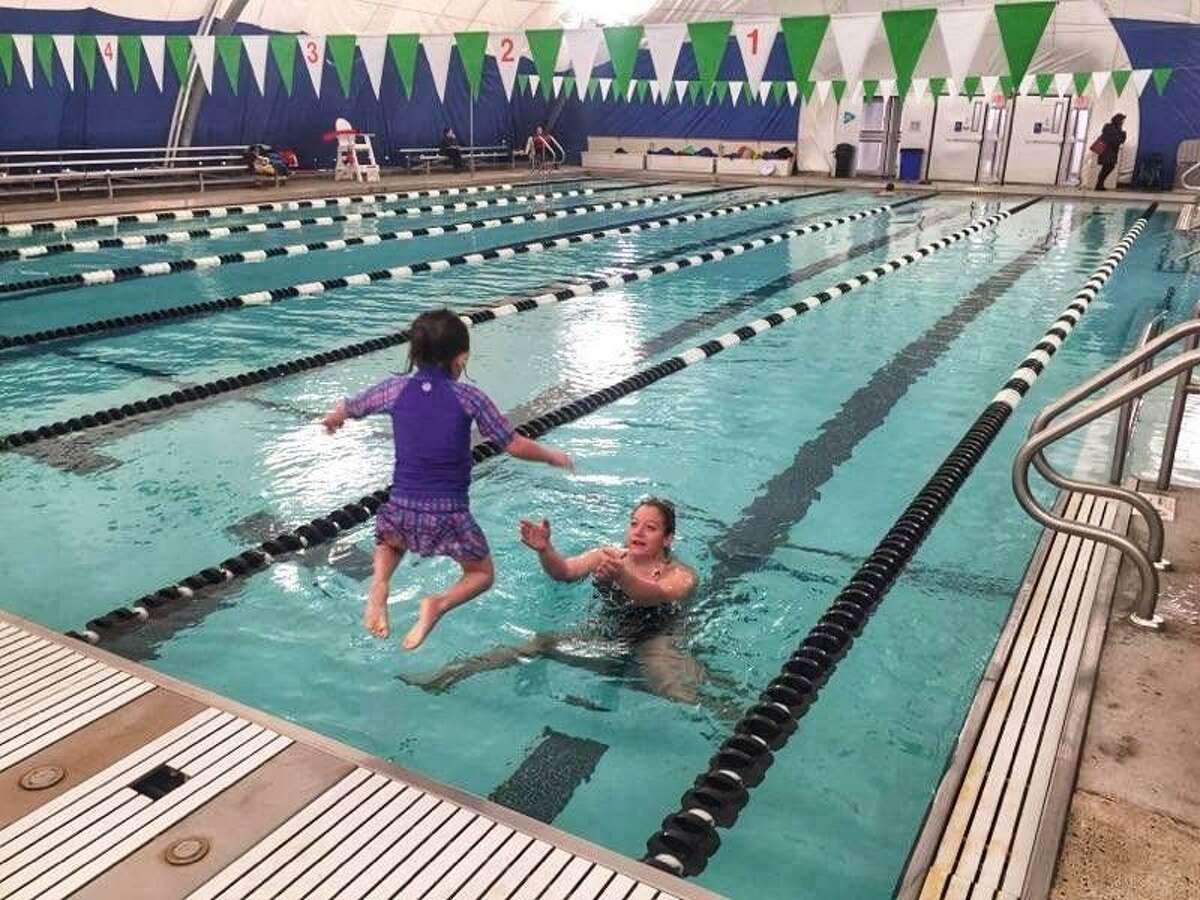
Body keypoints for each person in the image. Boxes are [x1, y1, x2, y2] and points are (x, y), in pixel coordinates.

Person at [322, 309, 573, 650]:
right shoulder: (470, 397)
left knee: (392, 542)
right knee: (481, 574)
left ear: (414, 353)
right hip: (448, 513)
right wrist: (550, 455)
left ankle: (380, 585)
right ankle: (436, 605)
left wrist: (336, 416)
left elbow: (353, 406)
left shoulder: (394, 389)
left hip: (403, 506)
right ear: (462, 358)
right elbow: (512, 444)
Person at [401, 498, 710, 704]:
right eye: (633, 523)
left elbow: (652, 595)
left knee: (671, 686)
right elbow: (565, 572)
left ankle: (730, 728)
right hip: (607, 632)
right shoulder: (608, 555)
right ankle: (449, 674)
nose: (638, 532)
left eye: (650, 527)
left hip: (657, 637)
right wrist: (545, 550)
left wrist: (621, 577)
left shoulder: (681, 575)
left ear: (667, 539)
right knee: (538, 643)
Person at [1094, 114, 1127, 191]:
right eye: (1122, 120)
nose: (1123, 122)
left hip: (1108, 151)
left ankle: (1100, 184)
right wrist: (1123, 133)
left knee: (1107, 167)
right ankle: (1099, 184)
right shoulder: (1112, 129)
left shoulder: (1109, 128)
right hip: (1108, 151)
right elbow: (1117, 140)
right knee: (1108, 167)